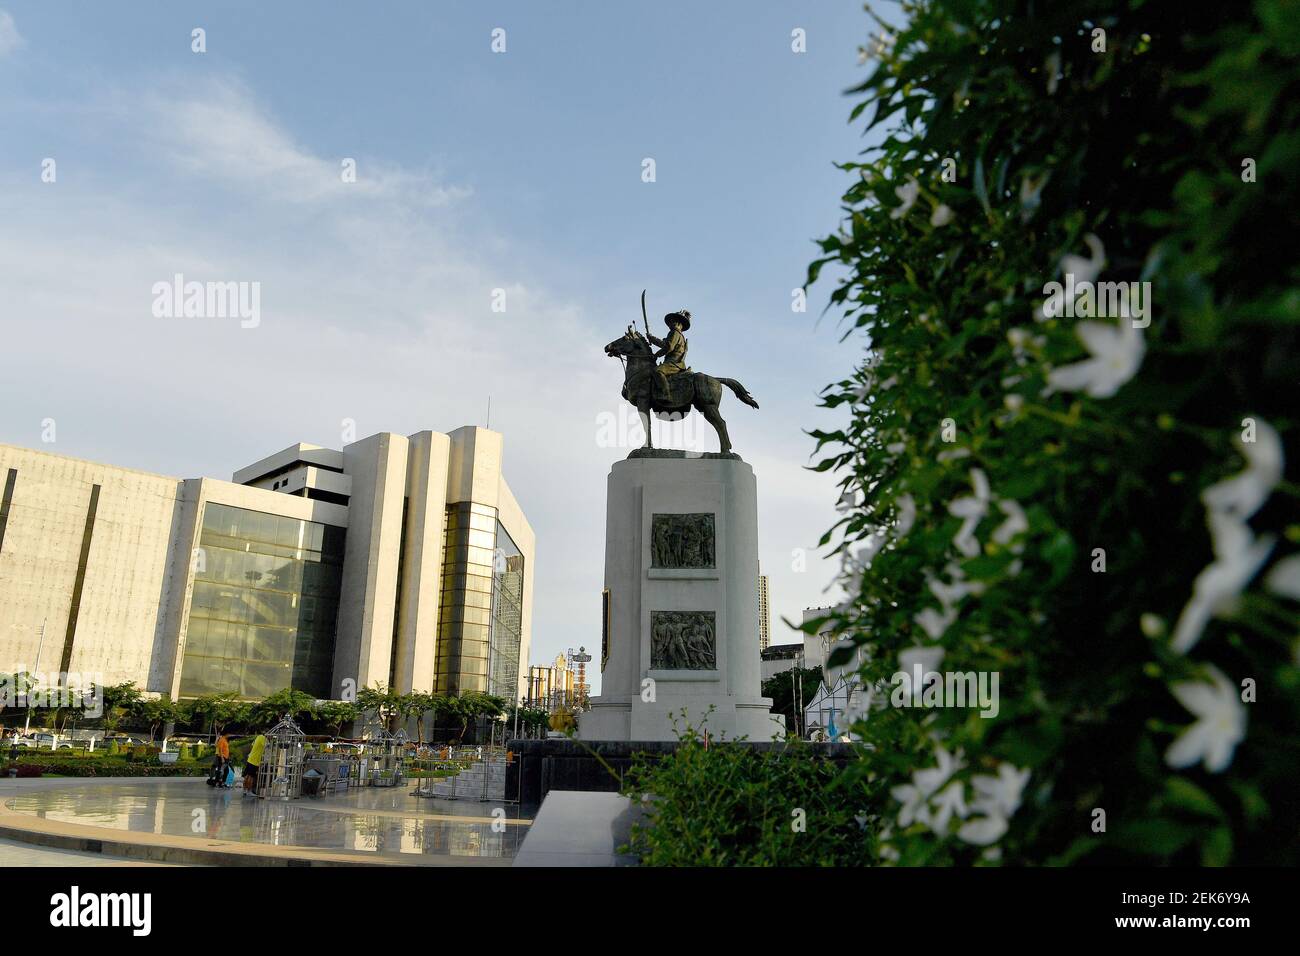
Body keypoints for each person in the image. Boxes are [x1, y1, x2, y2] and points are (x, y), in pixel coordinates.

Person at [647, 310, 691, 405]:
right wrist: (652, 339)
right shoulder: (680, 335)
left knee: (657, 371)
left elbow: (668, 347)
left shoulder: (675, 332)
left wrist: (656, 354)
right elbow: (665, 344)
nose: (670, 324)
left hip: (674, 363)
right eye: (670, 322)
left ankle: (666, 394)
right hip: (675, 363)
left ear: (679, 323)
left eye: (672, 321)